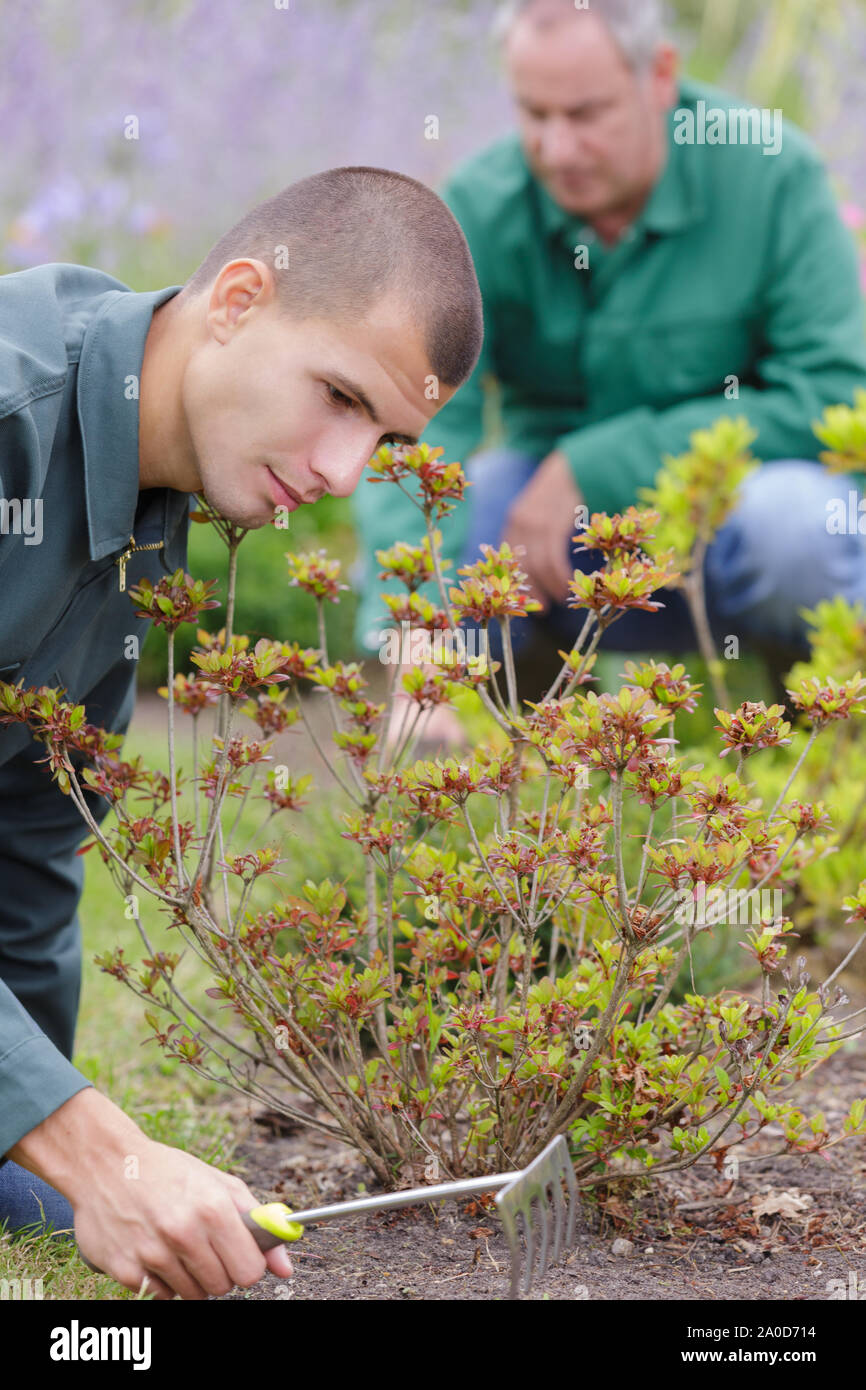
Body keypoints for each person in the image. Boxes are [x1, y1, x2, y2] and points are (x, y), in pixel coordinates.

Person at [0, 166, 483, 1298]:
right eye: (339, 396)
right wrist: (99, 1152)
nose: (336, 473)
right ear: (236, 300)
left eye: (384, 443)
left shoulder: (152, 493)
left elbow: (26, 830)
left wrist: (74, 1155)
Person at [352, 0, 866, 736]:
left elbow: (831, 397)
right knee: (475, 509)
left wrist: (596, 464)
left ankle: (818, 745)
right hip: (555, 547)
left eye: (587, 114)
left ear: (658, 76)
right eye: (534, 113)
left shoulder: (775, 176)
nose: (556, 149)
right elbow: (421, 427)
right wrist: (415, 632)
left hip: (732, 524)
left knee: (801, 524)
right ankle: (510, 757)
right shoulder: (481, 205)